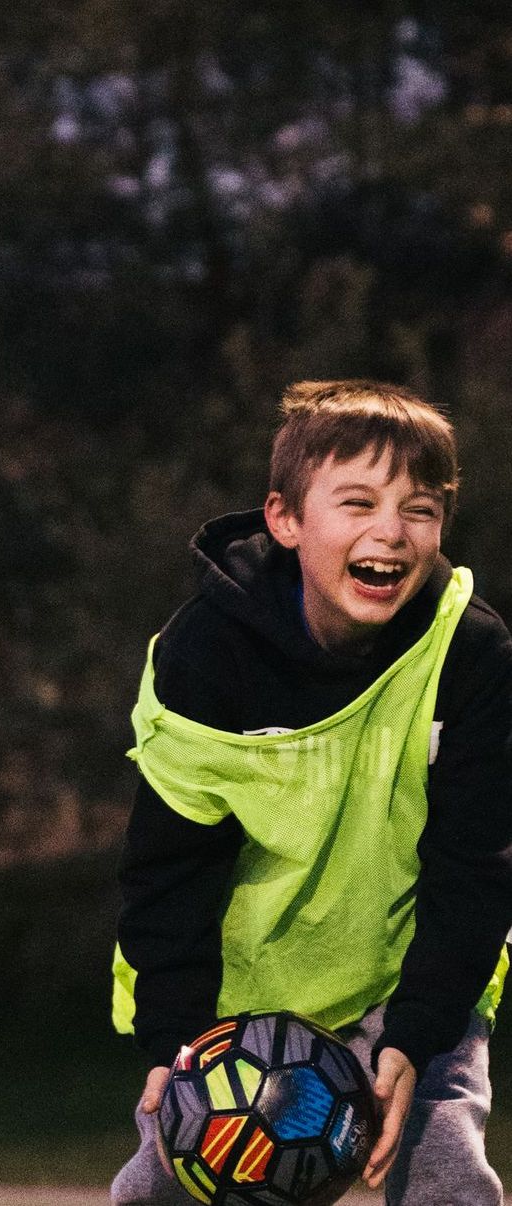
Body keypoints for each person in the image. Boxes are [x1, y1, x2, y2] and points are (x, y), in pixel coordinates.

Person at [109, 381, 512, 1205]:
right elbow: (171, 871)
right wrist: (172, 1037)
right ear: (285, 519)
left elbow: (475, 865)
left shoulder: (470, 650)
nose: (392, 531)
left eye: (421, 510)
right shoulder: (207, 652)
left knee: (446, 1179)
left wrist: (417, 1032)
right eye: (358, 502)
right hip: (240, 991)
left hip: (408, 974)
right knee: (166, 1192)